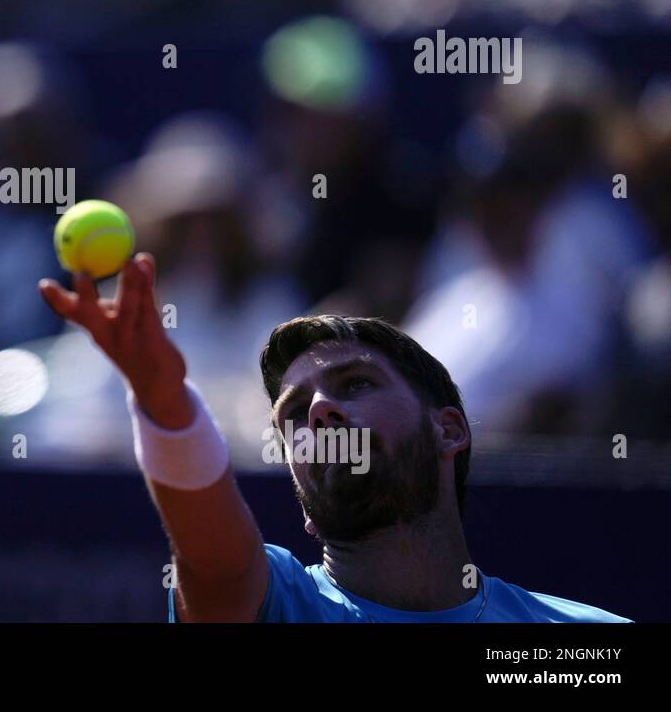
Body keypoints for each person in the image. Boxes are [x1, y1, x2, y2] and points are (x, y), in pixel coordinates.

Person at [37, 255, 630, 622]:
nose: (320, 408)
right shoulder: (272, 607)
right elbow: (213, 558)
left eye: (356, 383)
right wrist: (163, 401)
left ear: (447, 429)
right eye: (295, 413)